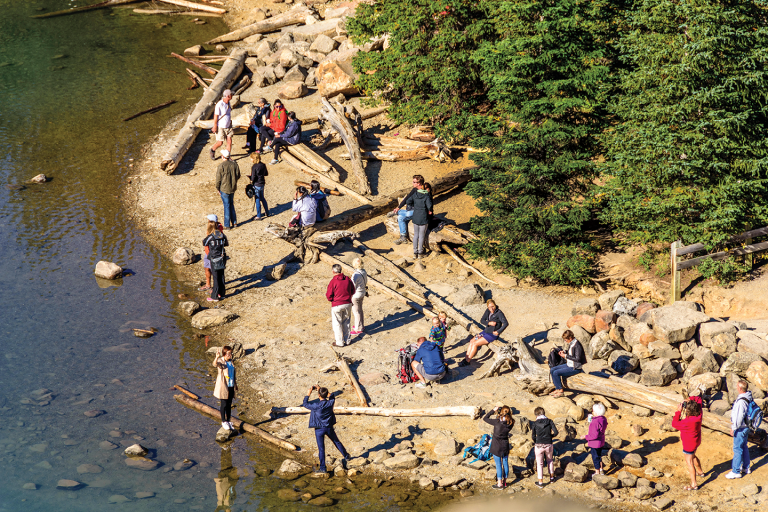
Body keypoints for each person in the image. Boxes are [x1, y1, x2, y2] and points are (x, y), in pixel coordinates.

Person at [303, 385, 351, 475]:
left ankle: (323, 468)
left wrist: (308, 394)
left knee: (321, 449)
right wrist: (320, 389)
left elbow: (305, 404)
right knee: (336, 442)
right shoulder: (330, 402)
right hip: (329, 427)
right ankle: (346, 456)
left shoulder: (316, 405)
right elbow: (331, 395)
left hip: (319, 429)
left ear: (318, 396)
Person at [458, 299, 509, 367]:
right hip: (485, 331)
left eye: (493, 306)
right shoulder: (488, 311)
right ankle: (466, 358)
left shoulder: (499, 313)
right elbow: (482, 320)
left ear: (495, 305)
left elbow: (506, 323)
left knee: (475, 344)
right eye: (489, 307)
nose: (491, 309)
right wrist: (489, 323)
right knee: (472, 341)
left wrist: (498, 332)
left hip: (492, 335)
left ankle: (468, 361)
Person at [672, 394, 705, 490]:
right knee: (693, 456)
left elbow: (674, 424)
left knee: (689, 462)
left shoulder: (687, 422)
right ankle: (700, 472)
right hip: (696, 441)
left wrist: (678, 412)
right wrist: (690, 399)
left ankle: (694, 484)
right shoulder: (699, 414)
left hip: (688, 444)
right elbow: (699, 398)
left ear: (688, 411)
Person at [726, 379, 753, 479]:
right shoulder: (748, 397)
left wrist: (734, 428)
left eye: (737, 386)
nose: (736, 387)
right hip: (746, 427)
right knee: (744, 446)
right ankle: (746, 467)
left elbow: (739, 417)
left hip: (740, 428)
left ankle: (736, 471)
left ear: (740, 388)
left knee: (737, 449)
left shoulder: (741, 401)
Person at [387, 175, 425, 245]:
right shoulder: (414, 190)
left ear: (419, 183)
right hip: (410, 211)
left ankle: (398, 212)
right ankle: (403, 237)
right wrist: (398, 207)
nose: (412, 183)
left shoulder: (424, 192)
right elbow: (407, 198)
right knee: (400, 218)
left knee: (408, 214)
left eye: (414, 182)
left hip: (417, 213)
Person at [483, 406, 514, 489]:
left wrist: (493, 410)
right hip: (505, 444)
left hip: (496, 445)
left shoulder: (497, 421)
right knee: (505, 463)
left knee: (498, 464)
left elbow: (485, 418)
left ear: (501, 412)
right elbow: (508, 419)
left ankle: (499, 484)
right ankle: (504, 482)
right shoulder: (511, 422)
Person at [549, 330, 586, 397]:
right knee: (552, 369)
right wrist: (564, 352)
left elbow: (577, 359)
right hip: (569, 364)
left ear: (570, 338)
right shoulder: (572, 343)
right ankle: (557, 388)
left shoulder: (577, 345)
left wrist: (565, 356)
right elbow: (571, 353)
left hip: (575, 367)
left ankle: (560, 391)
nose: (565, 341)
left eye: (566, 340)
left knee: (556, 373)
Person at [326, 264, 355, 347]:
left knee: (337, 324)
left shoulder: (333, 281)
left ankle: (339, 342)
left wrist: (332, 300)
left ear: (333, 271)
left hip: (337, 304)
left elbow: (329, 295)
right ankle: (347, 340)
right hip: (347, 303)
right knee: (346, 322)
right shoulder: (347, 279)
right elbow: (353, 290)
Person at [404, 178, 433, 259]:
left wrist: (415, 206)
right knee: (421, 235)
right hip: (423, 217)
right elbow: (430, 205)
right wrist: (429, 210)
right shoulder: (426, 195)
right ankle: (420, 253)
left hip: (416, 216)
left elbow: (408, 201)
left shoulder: (415, 194)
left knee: (416, 235)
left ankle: (415, 252)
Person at [532, 406, 559, 488]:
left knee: (539, 463)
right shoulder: (550, 421)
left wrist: (536, 440)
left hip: (539, 445)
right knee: (550, 460)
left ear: (536, 415)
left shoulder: (535, 423)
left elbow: (533, 436)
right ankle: (552, 478)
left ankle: (540, 482)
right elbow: (556, 432)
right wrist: (550, 436)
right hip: (548, 444)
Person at [203, 219, 228, 301]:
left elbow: (204, 242)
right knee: (221, 276)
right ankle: (222, 294)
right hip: (222, 257)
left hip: (214, 258)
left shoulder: (210, 237)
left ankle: (214, 296)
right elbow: (226, 243)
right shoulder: (222, 235)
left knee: (216, 277)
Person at [213, 346, 237, 430]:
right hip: (224, 385)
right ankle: (223, 421)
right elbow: (215, 364)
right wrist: (216, 357)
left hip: (231, 385)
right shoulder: (221, 361)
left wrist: (235, 385)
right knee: (224, 404)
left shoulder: (231, 361)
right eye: (228, 353)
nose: (230, 355)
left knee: (229, 404)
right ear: (224, 353)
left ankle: (228, 420)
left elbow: (233, 374)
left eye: (231, 353)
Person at [215, 149, 240, 230]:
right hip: (232, 187)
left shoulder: (221, 166)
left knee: (226, 206)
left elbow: (218, 179)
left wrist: (218, 188)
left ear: (223, 156)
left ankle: (227, 224)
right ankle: (234, 222)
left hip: (224, 188)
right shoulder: (234, 164)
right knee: (231, 204)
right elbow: (238, 175)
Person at [199, 214, 224, 292]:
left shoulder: (217, 229)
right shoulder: (212, 228)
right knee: (207, 268)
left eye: (209, 220)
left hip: (213, 253)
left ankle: (215, 289)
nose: (208, 221)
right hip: (208, 252)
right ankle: (208, 285)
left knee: (215, 271)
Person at [584, 402, 607, 475]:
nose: (592, 412)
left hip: (595, 443)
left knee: (595, 457)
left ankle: (597, 472)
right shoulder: (603, 418)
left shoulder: (595, 422)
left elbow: (594, 435)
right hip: (601, 441)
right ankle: (601, 469)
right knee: (599, 456)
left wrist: (585, 437)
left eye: (593, 410)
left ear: (596, 412)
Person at [210, 89, 233, 160]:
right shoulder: (219, 104)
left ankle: (227, 156)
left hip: (228, 125)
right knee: (220, 142)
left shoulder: (228, 103)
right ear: (228, 96)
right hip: (221, 126)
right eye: (231, 95)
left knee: (229, 141)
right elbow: (216, 116)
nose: (232, 96)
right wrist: (215, 126)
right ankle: (212, 150)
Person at [248, 153, 269, 220]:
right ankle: (267, 212)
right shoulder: (263, 165)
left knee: (257, 199)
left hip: (257, 184)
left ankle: (259, 215)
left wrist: (251, 179)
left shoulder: (254, 167)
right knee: (262, 198)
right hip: (262, 183)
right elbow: (266, 173)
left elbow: (253, 177)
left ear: (254, 159)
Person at [350, 258, 367, 336]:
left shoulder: (355, 275)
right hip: (362, 292)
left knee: (356, 312)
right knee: (360, 310)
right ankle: (360, 325)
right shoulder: (364, 271)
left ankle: (358, 329)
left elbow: (352, 286)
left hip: (356, 295)